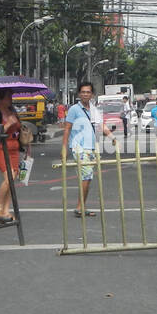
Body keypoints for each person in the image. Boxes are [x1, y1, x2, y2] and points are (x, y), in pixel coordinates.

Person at [61, 82, 100, 217]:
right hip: (79, 148)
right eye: (83, 92)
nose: (85, 94)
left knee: (87, 178)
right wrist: (64, 148)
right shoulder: (74, 109)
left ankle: (81, 206)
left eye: (88, 92)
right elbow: (67, 129)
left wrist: (112, 137)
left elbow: (100, 126)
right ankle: (79, 207)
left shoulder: (93, 110)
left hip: (90, 147)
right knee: (86, 176)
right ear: (79, 94)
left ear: (92, 94)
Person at [0, 90, 23, 222]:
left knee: (12, 179)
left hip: (14, 148)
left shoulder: (12, 111)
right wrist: (9, 124)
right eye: (8, 96)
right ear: (0, 98)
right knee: (8, 176)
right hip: (1, 148)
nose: (10, 99)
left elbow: (18, 129)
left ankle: (6, 209)